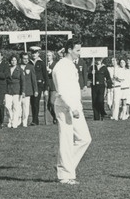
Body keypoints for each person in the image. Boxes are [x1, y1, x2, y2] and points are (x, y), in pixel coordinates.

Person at [53, 38, 92, 185]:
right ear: (69, 50)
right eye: (77, 50)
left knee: (85, 138)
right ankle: (64, 175)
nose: (79, 53)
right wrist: (72, 107)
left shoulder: (70, 65)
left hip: (74, 107)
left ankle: (63, 167)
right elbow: (62, 91)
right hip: (65, 107)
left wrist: (77, 107)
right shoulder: (62, 66)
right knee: (66, 140)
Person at [18, 52, 38, 127]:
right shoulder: (17, 66)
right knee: (18, 107)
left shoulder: (31, 67)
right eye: (24, 58)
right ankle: (18, 121)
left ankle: (25, 123)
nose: (26, 60)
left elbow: (34, 79)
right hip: (18, 90)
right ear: (21, 59)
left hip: (28, 90)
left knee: (26, 108)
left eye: (27, 59)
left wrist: (35, 90)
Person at [28, 46, 46, 125]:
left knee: (36, 102)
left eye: (35, 53)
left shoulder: (41, 63)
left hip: (38, 85)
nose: (34, 54)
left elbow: (45, 76)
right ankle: (35, 119)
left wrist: (46, 88)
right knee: (32, 102)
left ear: (38, 53)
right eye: (32, 53)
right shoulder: (29, 63)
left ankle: (35, 120)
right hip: (31, 85)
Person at [5, 55, 23, 128]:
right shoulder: (7, 69)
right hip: (8, 90)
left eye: (15, 60)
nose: (13, 62)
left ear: (17, 61)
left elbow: (23, 81)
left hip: (17, 90)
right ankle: (10, 120)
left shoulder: (20, 69)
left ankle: (14, 122)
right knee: (7, 106)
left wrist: (22, 91)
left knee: (16, 107)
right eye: (12, 60)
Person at [45, 50, 59, 125]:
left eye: (49, 55)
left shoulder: (56, 64)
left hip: (53, 85)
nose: (48, 57)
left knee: (52, 102)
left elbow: (58, 73)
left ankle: (56, 116)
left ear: (52, 56)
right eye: (47, 55)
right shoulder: (44, 64)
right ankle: (53, 118)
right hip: (46, 85)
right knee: (47, 104)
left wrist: (50, 70)